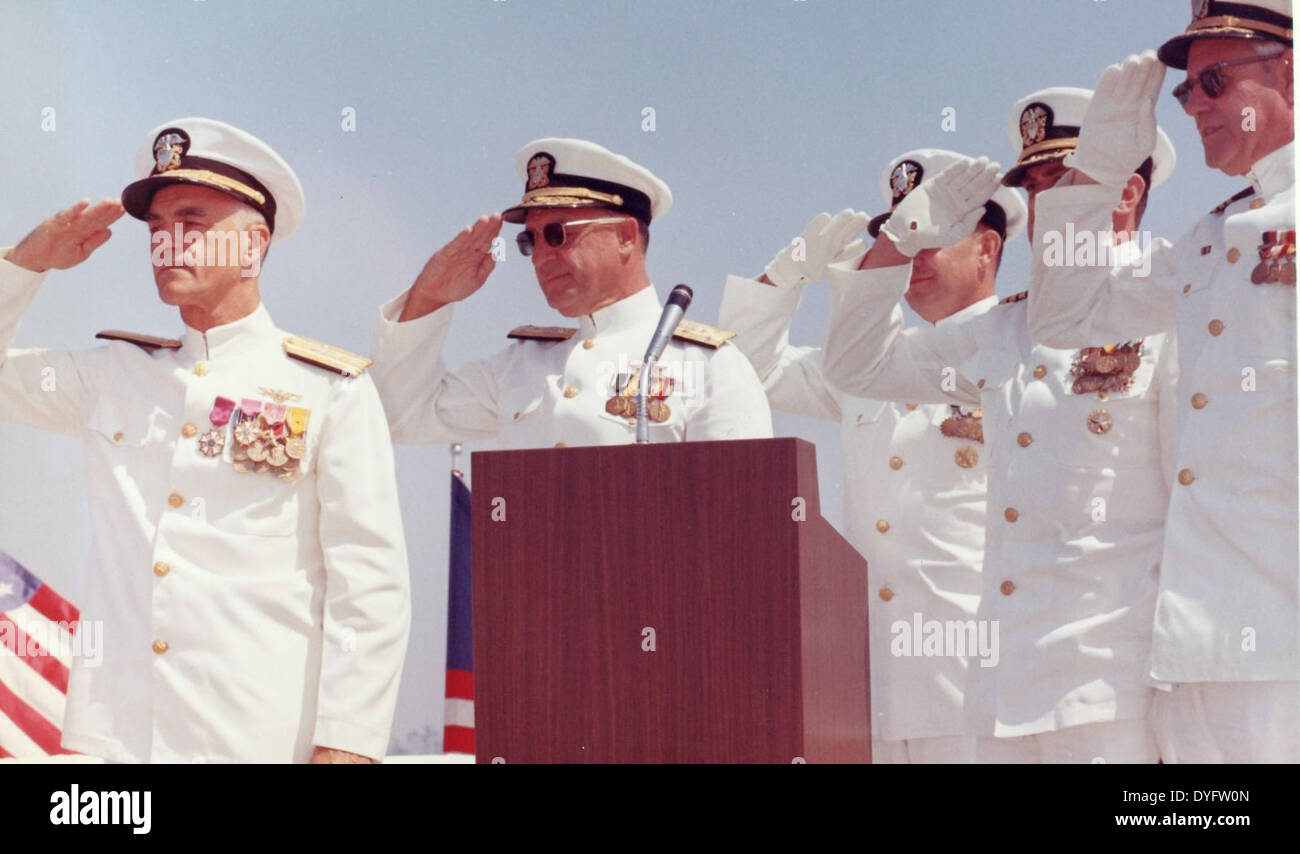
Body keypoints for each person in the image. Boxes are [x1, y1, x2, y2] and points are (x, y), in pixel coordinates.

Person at [0, 118, 410, 763]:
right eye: (157, 230)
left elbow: (371, 584)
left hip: (258, 740)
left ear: (254, 245)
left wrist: (348, 745)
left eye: (192, 222)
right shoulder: (113, 377)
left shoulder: (332, 391)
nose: (168, 244)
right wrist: (26, 264)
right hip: (116, 746)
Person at [821, 90, 1179, 763]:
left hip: (1115, 693)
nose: (1045, 204)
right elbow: (856, 364)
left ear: (1127, 194)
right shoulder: (1006, 330)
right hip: (1002, 695)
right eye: (1035, 185)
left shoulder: (1169, 311)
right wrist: (901, 240)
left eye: (1063, 181)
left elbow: (1193, 499)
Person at [1025, 0, 1297, 763]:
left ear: (1289, 65)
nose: (1196, 105)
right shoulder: (1208, 239)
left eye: (1213, 81)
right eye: (1184, 93)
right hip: (1193, 653)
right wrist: (1098, 170)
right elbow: (1064, 311)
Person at [718, 149, 1027, 762]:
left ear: (987, 249)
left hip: (980, 676)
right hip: (871, 682)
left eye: (930, 237)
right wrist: (789, 275)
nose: (909, 258)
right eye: (900, 238)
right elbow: (742, 371)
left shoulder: (1020, 345)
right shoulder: (867, 364)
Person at [370, 138, 772, 448]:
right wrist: (430, 297)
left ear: (625, 236)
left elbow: (742, 513)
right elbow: (401, 417)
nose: (540, 255)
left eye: (558, 234)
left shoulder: (710, 367)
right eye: (530, 240)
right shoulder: (521, 366)